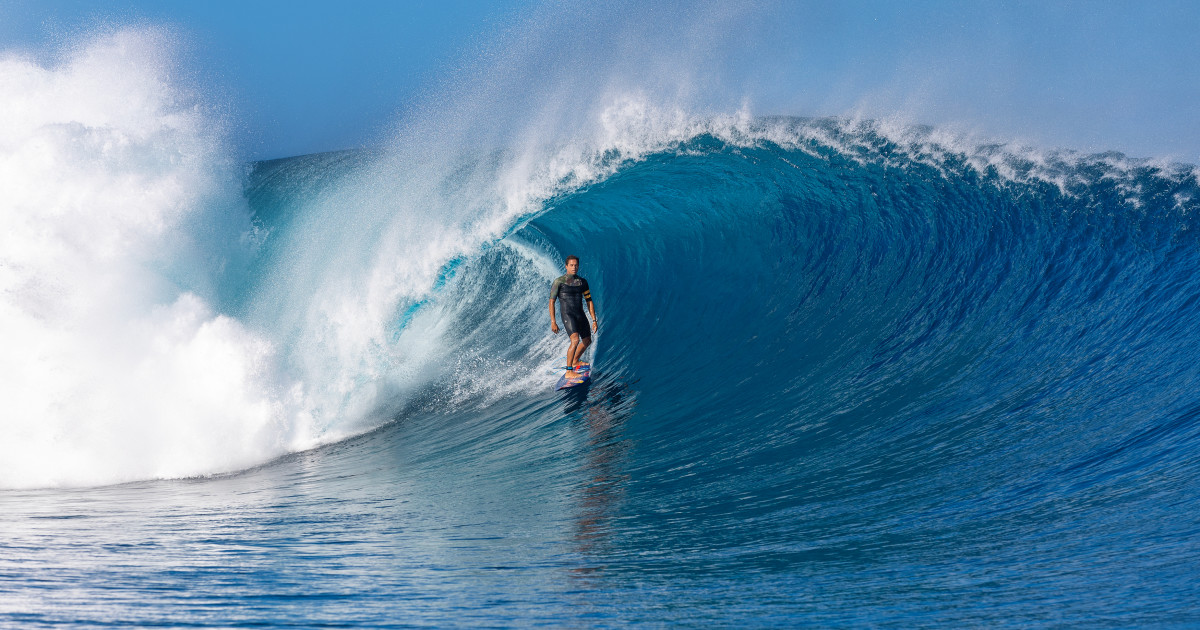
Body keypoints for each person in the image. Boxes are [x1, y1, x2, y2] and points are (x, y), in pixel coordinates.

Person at [549, 255, 598, 377]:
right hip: (568, 314)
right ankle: (569, 371)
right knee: (575, 340)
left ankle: (575, 361)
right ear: (566, 266)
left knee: (587, 341)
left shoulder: (583, 282)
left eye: (576, 265)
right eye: (571, 265)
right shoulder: (558, 282)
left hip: (580, 315)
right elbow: (551, 302)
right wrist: (553, 321)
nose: (574, 267)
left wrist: (594, 320)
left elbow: (589, 301)